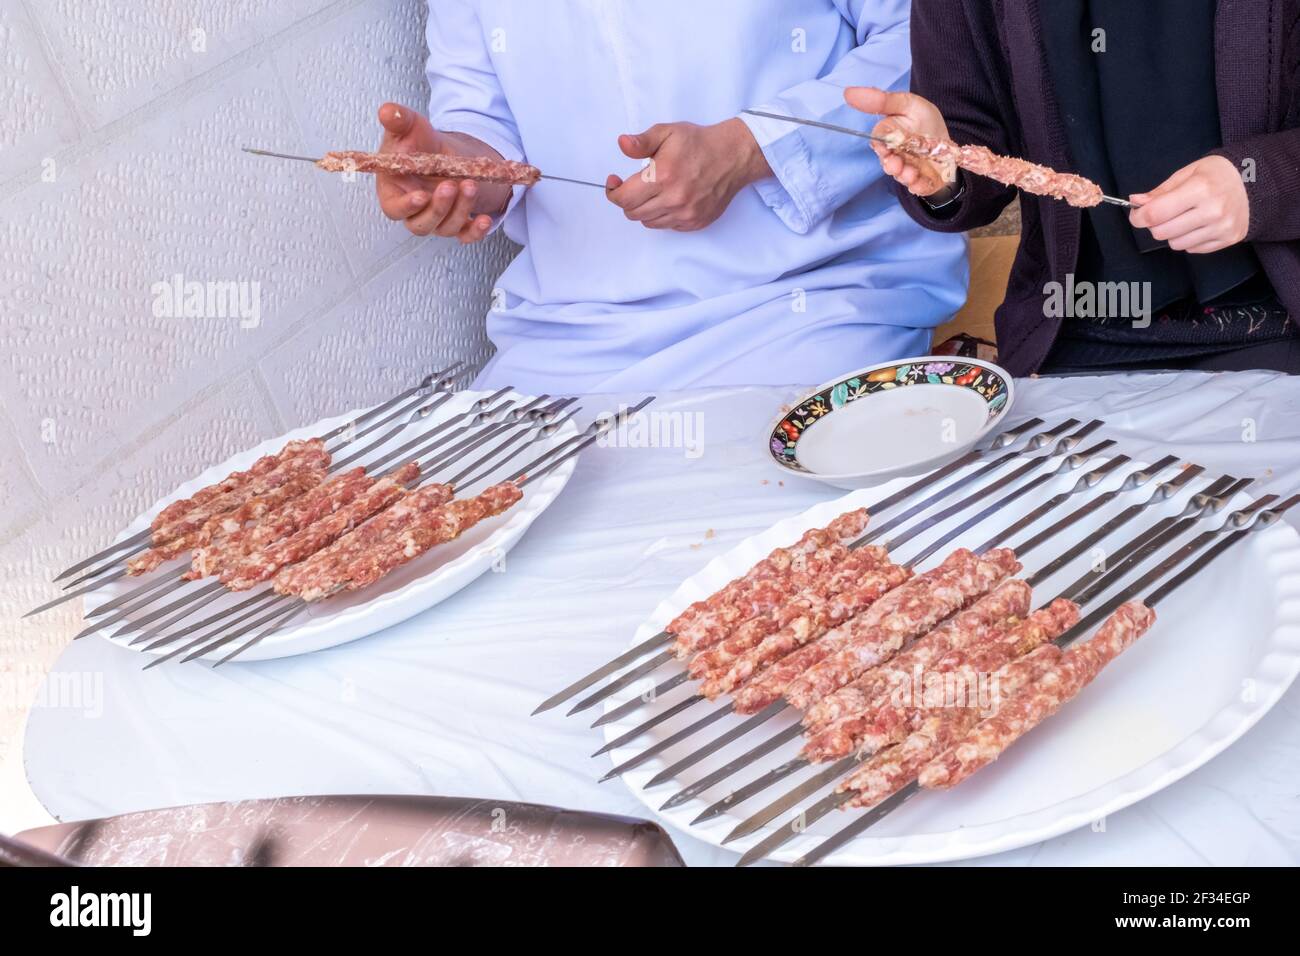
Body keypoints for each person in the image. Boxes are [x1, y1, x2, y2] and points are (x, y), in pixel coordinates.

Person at [372, 0, 966, 393]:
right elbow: (488, 129)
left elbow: (928, 40)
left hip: (806, 301)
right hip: (573, 333)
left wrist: (751, 149)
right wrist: (452, 172)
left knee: (787, 546)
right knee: (492, 532)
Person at [850, 0, 1300, 374]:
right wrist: (945, 176)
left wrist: (1264, 184)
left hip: (1277, 323)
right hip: (1077, 330)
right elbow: (965, 137)